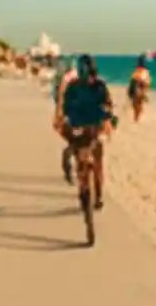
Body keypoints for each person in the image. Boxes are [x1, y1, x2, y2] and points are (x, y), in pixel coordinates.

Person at [54, 54, 114, 212]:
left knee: (94, 161)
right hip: (84, 128)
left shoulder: (84, 86)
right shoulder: (95, 85)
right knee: (91, 161)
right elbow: (107, 106)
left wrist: (106, 120)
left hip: (88, 128)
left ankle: (97, 194)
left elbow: (107, 106)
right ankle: (91, 192)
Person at [128, 54, 153, 123]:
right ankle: (136, 118)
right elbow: (148, 82)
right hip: (140, 88)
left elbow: (133, 81)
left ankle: (136, 118)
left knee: (136, 105)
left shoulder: (137, 71)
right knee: (138, 104)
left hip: (138, 87)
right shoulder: (144, 71)